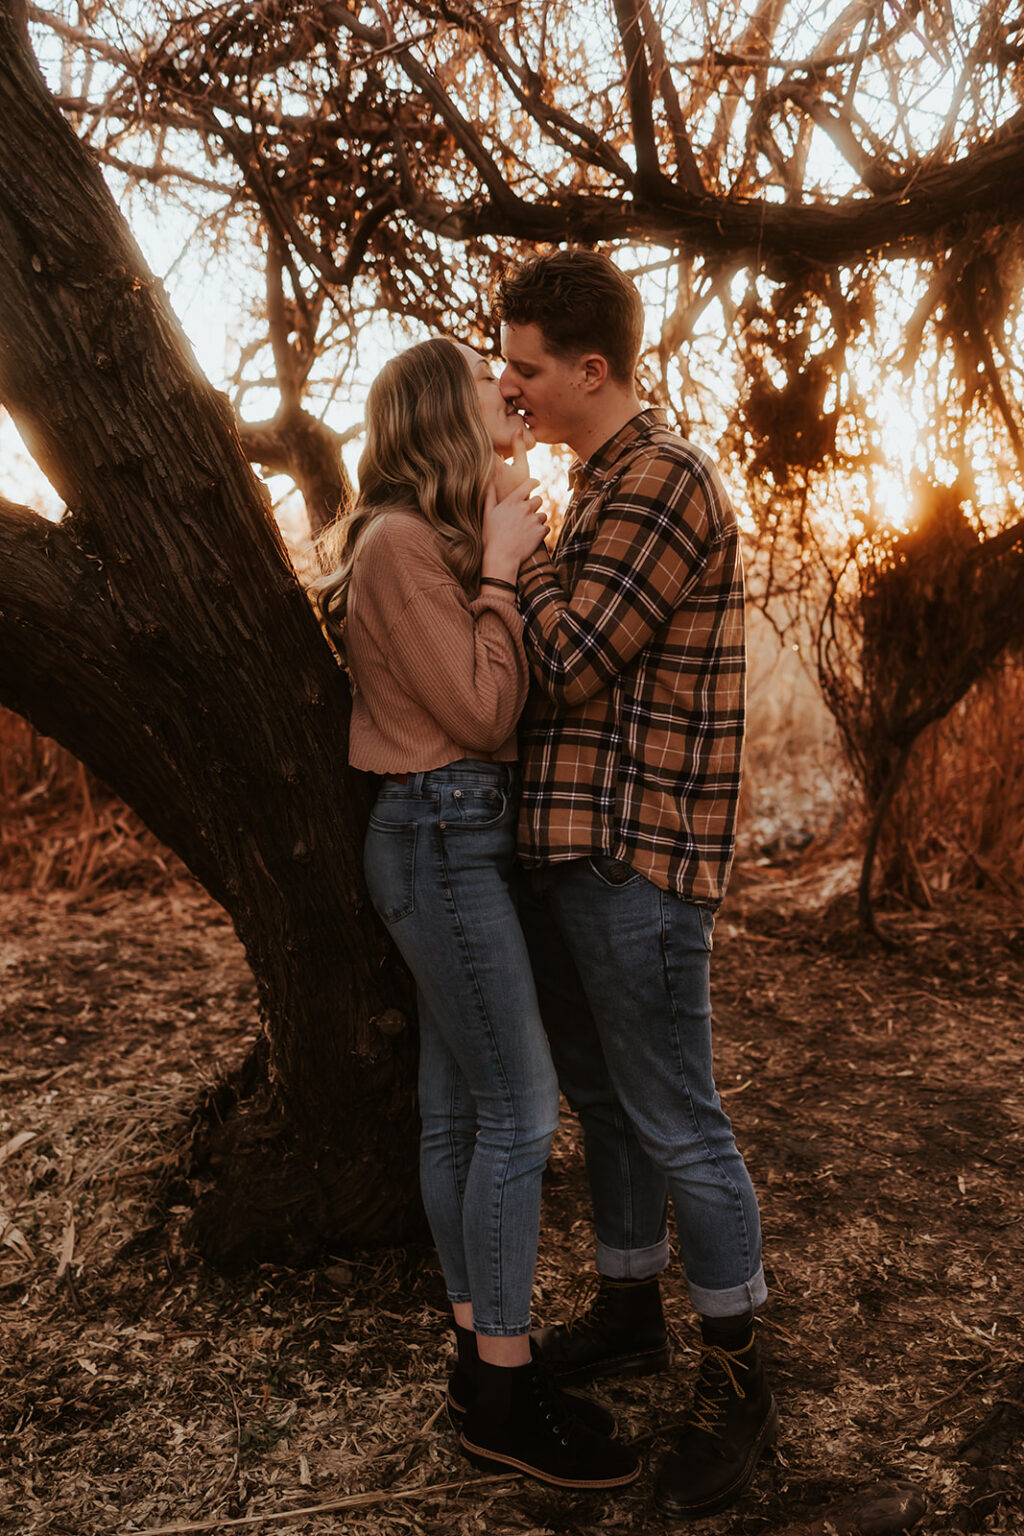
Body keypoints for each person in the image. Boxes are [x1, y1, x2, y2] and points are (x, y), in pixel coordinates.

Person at [313, 336, 639, 1493]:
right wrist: (503, 566)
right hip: (441, 831)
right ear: (439, 419)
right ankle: (505, 1390)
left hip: (450, 832)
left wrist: (501, 548)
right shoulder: (402, 544)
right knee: (519, 1110)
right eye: (483, 380)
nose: (509, 389)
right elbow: (487, 711)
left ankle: (479, 1362)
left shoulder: (422, 539)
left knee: (457, 1109)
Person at [493, 250, 777, 1520]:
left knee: (677, 1120)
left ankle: (739, 1378)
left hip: (637, 859)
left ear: (591, 368)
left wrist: (522, 549)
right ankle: (628, 1309)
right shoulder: (598, 482)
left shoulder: (658, 481)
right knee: (607, 1105)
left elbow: (572, 660)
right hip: (575, 850)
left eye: (527, 369)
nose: (511, 392)